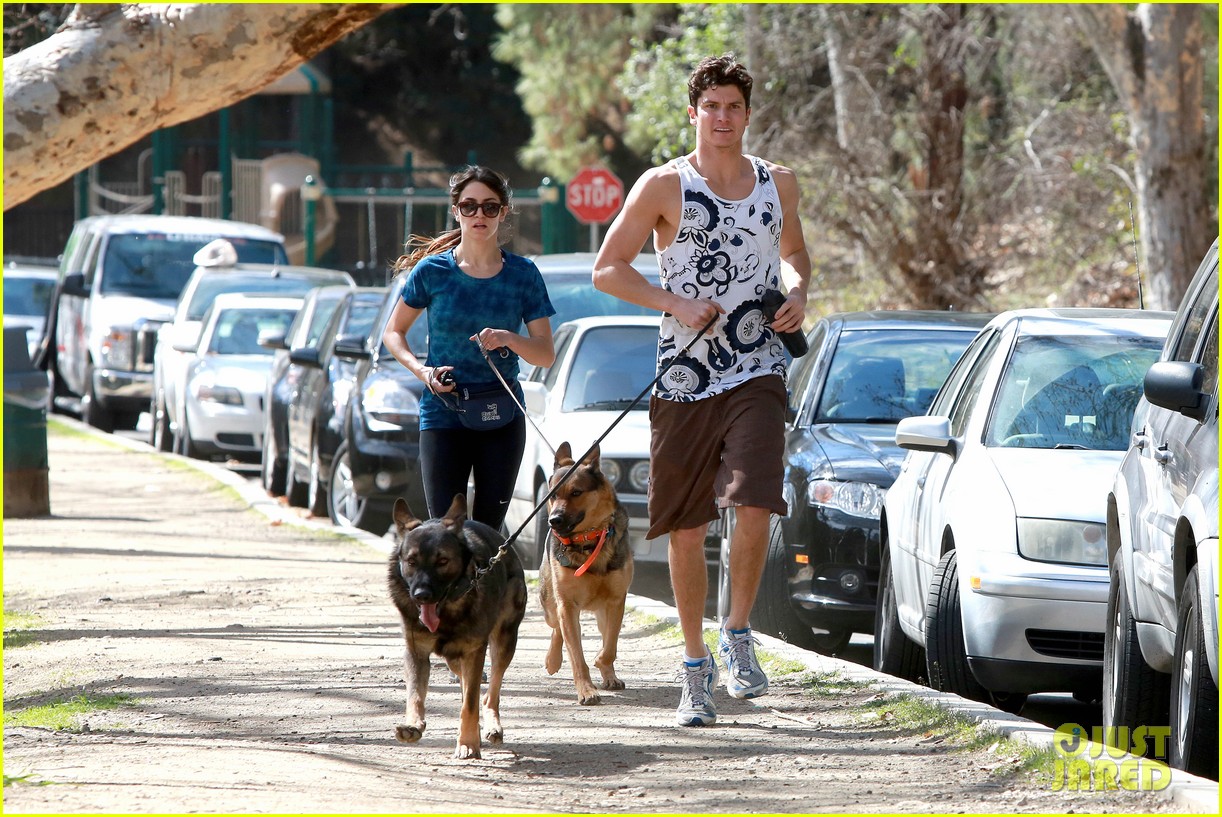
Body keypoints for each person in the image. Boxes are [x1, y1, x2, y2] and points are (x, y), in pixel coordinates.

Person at [593, 54, 811, 726]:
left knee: (753, 499)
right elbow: (608, 269)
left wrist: (798, 290)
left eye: (734, 107)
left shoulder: (779, 182)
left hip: (757, 365)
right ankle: (695, 670)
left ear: (748, 114)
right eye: (710, 107)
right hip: (685, 373)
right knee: (685, 530)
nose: (722, 118)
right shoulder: (664, 185)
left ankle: (737, 632)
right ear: (694, 114)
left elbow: (795, 254)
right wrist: (674, 303)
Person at [383, 165, 556, 530]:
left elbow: (545, 352)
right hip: (443, 411)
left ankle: (486, 589)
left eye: (490, 207)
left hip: (502, 413)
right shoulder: (432, 272)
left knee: (489, 530)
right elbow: (393, 333)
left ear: (503, 212)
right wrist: (424, 373)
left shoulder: (523, 274)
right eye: (470, 206)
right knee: (446, 529)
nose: (480, 215)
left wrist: (509, 338)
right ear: (456, 210)